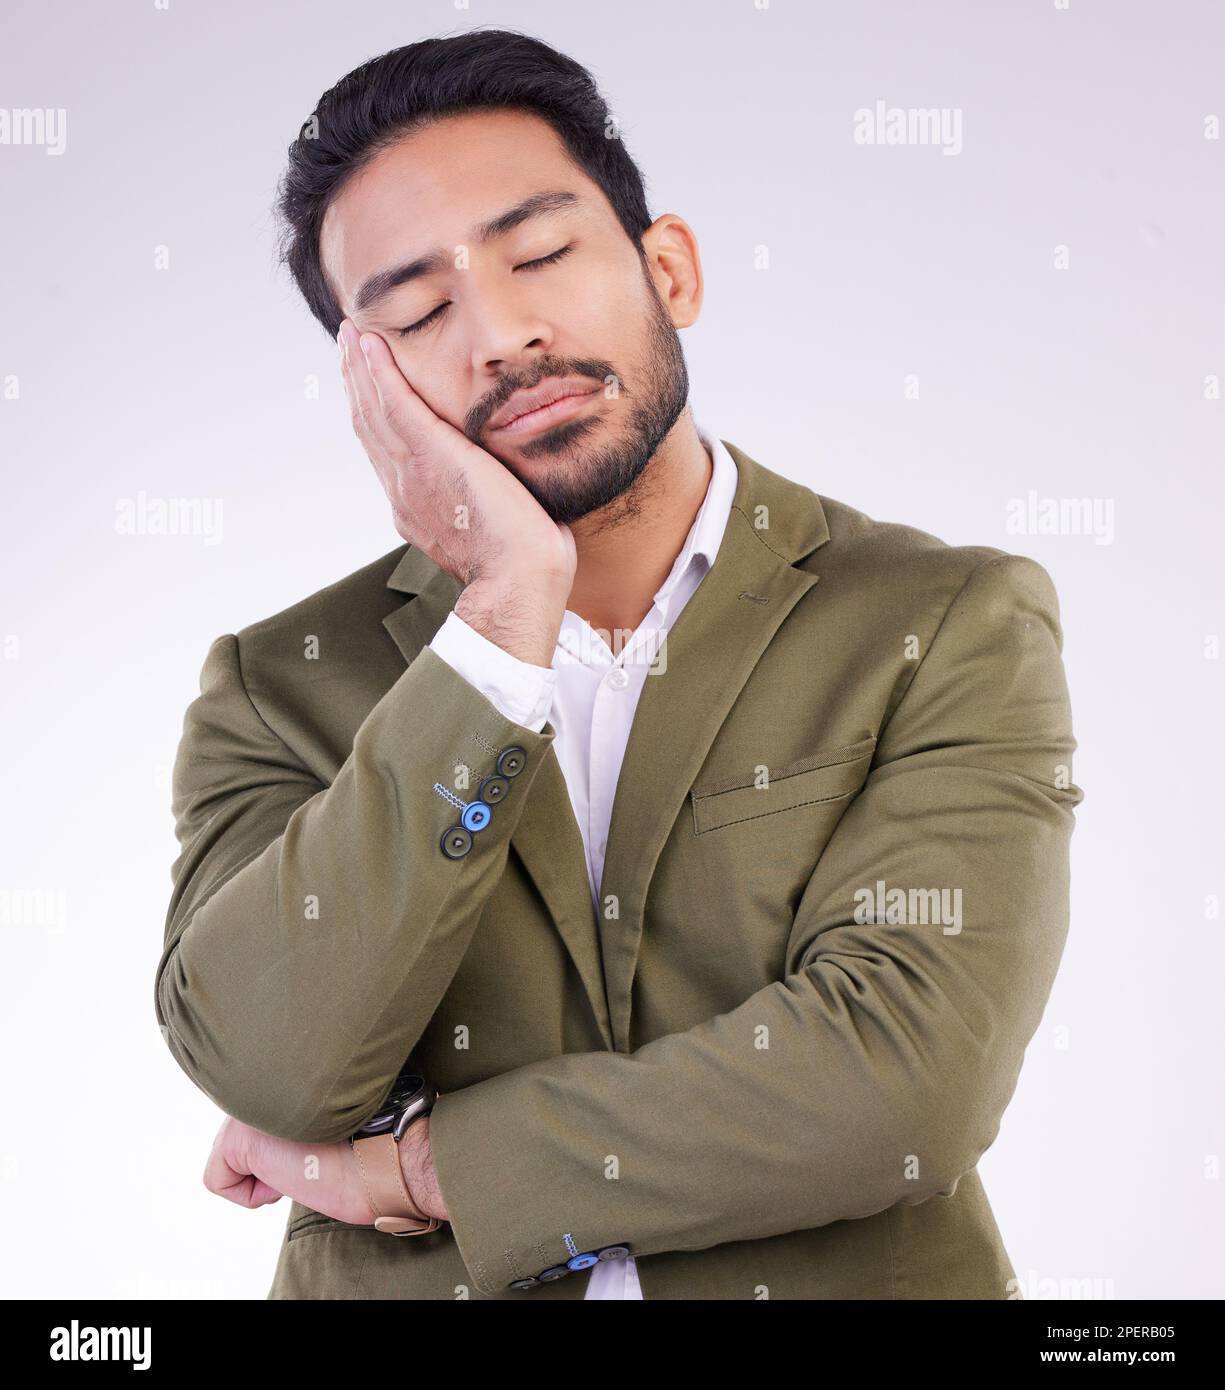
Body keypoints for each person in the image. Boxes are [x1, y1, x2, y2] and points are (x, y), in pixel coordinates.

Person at [158, 29, 1083, 1300]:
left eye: (541, 254)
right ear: (363, 386)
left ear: (670, 268)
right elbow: (270, 1065)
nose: (500, 334)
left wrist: (428, 1173)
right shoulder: (281, 687)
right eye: (421, 312)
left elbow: (903, 1081)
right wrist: (500, 613)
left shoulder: (943, 621)